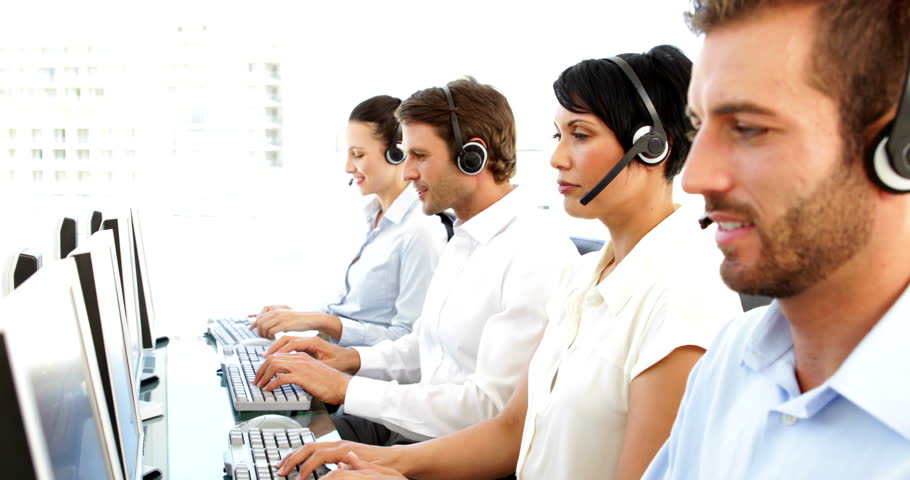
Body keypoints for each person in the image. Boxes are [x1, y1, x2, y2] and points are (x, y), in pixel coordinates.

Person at [266, 45, 742, 480]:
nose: (555, 158)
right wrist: (378, 461)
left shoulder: (685, 293)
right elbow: (513, 430)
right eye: (558, 134)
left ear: (652, 148)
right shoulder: (584, 275)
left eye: (579, 134)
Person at [640, 1, 910, 478]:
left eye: (747, 128)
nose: (694, 178)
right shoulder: (730, 360)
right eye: (697, 127)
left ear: (901, 150)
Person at [254, 77, 579, 446]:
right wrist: (349, 360)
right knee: (269, 445)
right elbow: (425, 348)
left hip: (447, 454)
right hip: (408, 429)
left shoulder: (535, 254)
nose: (407, 172)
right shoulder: (466, 237)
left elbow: (491, 410)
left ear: (474, 157)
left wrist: (348, 389)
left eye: (420, 156)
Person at [250, 95, 447, 347]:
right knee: (240, 353)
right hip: (331, 355)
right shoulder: (371, 218)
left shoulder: (420, 232)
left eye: (358, 154)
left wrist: (319, 322)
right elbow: (349, 310)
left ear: (397, 154)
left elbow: (409, 341)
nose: (348, 167)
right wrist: (295, 316)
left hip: (362, 374)